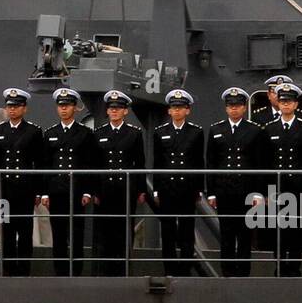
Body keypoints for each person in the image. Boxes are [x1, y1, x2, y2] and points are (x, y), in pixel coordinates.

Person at [206, 87, 266, 277]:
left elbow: (259, 164)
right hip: (224, 190)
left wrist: (258, 192)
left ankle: (243, 273)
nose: (234, 109)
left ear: (244, 107)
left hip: (246, 191)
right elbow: (211, 162)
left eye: (238, 105)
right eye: (231, 105)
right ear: (226, 108)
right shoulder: (216, 130)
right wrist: (212, 192)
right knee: (227, 234)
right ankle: (227, 272)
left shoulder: (255, 130)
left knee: (245, 234)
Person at [263, 83, 302, 276]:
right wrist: (263, 191)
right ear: (278, 104)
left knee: (296, 229)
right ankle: (279, 265)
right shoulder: (269, 129)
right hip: (276, 188)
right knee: (276, 230)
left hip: (299, 188)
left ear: (295, 104)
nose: (285, 105)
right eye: (282, 101)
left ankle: (294, 267)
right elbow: (265, 161)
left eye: (289, 101)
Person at [43, 88, 98, 276]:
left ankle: (76, 272)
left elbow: (90, 163)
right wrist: (44, 192)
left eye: (67, 105)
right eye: (61, 105)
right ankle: (59, 272)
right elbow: (45, 165)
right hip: (56, 190)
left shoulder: (84, 133)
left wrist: (87, 191)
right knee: (58, 234)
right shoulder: (50, 133)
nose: (64, 109)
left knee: (76, 234)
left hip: (77, 191)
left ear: (75, 108)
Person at [0, 88, 44, 276]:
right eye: (9, 106)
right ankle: (8, 269)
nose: (12, 109)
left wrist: (38, 192)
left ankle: (24, 270)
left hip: (25, 191)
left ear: (24, 108)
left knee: (25, 231)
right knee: (7, 232)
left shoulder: (34, 132)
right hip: (4, 192)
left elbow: (40, 163)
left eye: (17, 106)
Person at [92, 90, 146, 276]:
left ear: (125, 111)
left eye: (118, 108)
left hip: (125, 190)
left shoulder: (134, 134)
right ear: (107, 111)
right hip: (104, 190)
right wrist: (94, 191)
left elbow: (140, 163)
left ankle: (123, 270)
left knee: (124, 231)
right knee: (104, 232)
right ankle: (105, 271)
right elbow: (95, 164)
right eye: (111, 108)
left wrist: (140, 190)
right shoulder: (99, 133)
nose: (114, 111)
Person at [149, 89, 201, 275]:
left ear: (187, 110)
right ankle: (169, 269)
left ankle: (185, 270)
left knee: (187, 232)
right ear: (169, 111)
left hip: (187, 189)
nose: (177, 111)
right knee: (168, 231)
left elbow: (198, 162)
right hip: (167, 189)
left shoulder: (196, 132)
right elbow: (157, 162)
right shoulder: (160, 132)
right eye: (174, 107)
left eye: (181, 108)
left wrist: (199, 189)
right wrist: (156, 189)